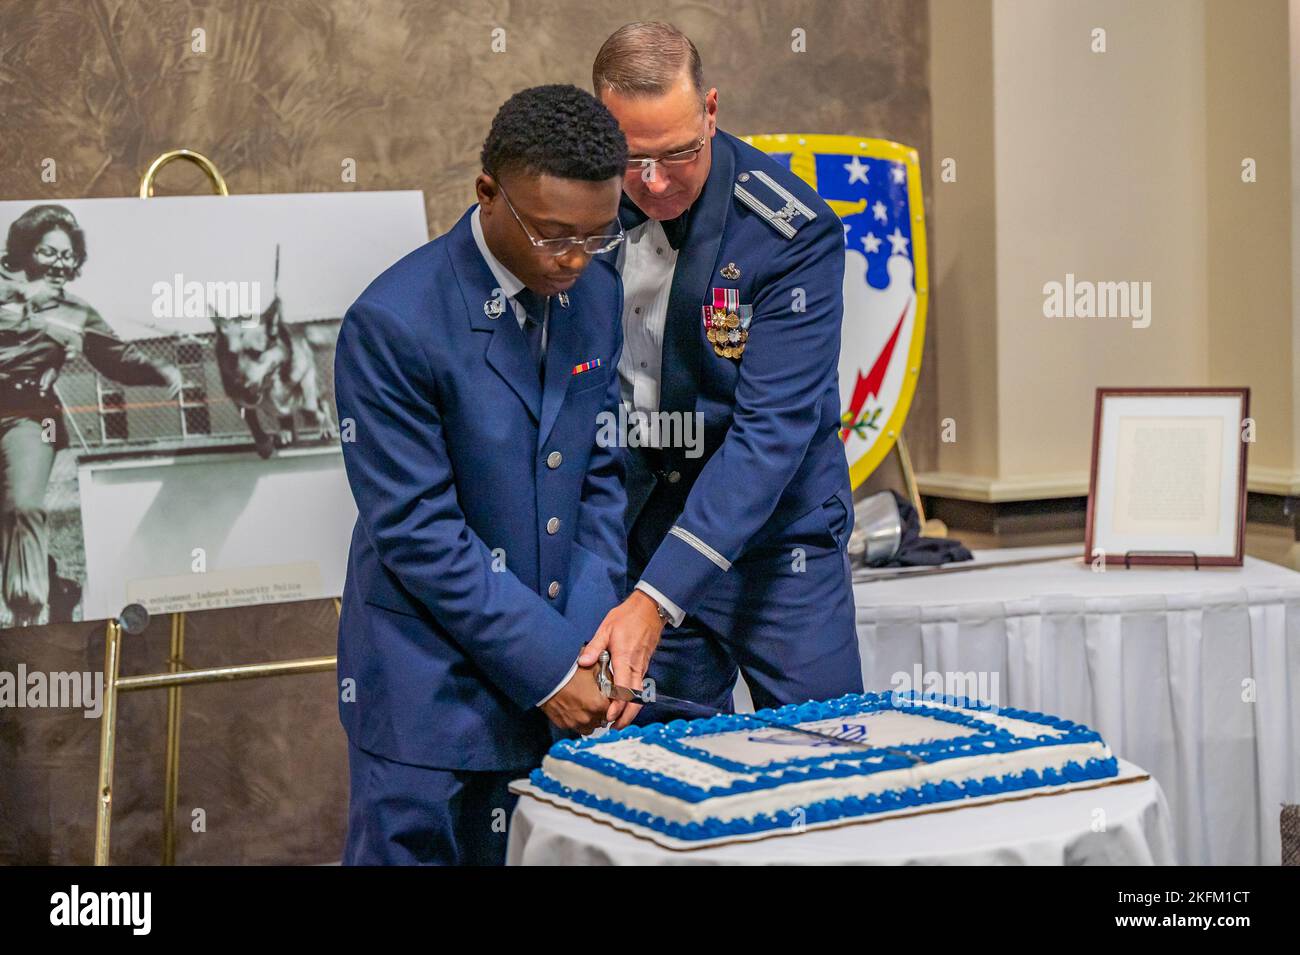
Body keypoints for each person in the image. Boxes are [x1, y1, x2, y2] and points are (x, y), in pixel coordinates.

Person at [333, 84, 629, 865]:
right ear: (487, 192)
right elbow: (419, 533)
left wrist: (589, 648)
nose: (573, 259)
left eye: (598, 236)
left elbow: (600, 476)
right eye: (552, 234)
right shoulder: (393, 322)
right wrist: (551, 665)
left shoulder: (595, 292)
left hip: (564, 674)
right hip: (431, 689)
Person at [578, 22, 864, 728]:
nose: (653, 182)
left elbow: (770, 437)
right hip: (644, 532)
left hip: (779, 549)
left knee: (827, 763)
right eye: (631, 159)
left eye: (676, 153)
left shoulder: (789, 234)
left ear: (711, 111)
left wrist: (658, 596)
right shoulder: (578, 209)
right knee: (662, 773)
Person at [0, 204, 182, 626]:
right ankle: (60, 584)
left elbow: (116, 357)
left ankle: (26, 614)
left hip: (33, 418)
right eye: (49, 253)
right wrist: (22, 301)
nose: (60, 265)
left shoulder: (76, 312)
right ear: (26, 251)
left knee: (23, 506)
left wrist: (161, 369)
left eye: (68, 256)